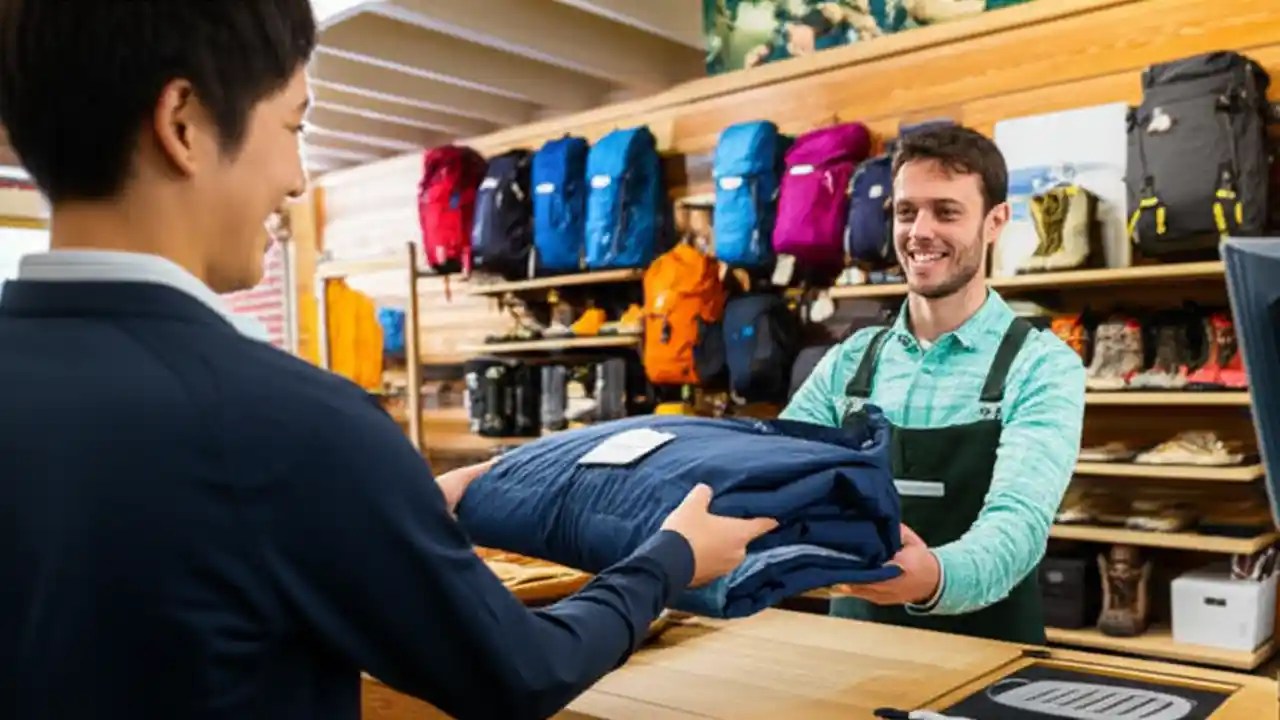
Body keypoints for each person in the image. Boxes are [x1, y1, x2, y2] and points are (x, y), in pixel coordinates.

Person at [0, 3, 778, 719]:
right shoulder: (299, 426)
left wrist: (378, 510)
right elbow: (520, 672)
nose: (297, 180)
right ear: (185, 124)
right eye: (294, 126)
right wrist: (668, 560)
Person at [783, 125, 1086, 645]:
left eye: (946, 212)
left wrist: (931, 579)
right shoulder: (851, 361)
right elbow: (778, 475)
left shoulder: (1041, 364)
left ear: (995, 222)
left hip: (986, 661)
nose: (920, 231)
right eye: (907, 211)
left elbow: (1017, 528)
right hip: (850, 654)